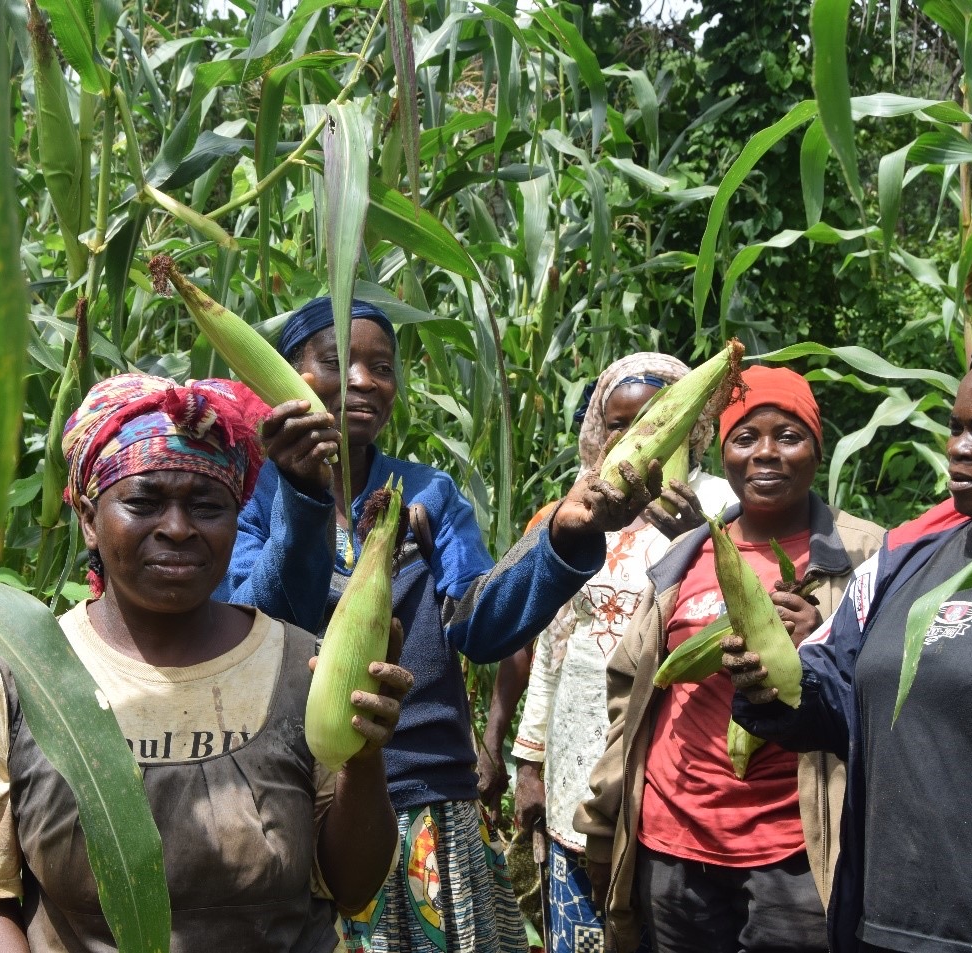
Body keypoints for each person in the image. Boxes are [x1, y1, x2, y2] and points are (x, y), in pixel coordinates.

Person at [220, 297, 658, 953]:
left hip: (427, 799)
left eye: (383, 365)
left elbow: (479, 624)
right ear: (288, 375)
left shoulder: (427, 493)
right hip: (295, 807)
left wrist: (565, 537)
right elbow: (260, 626)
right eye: (341, 362)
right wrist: (303, 497)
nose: (366, 381)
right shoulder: (248, 496)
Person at [0, 373, 411, 952]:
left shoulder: (301, 665)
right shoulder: (27, 676)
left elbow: (351, 887)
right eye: (143, 502)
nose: (177, 529)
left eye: (207, 506)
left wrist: (365, 760)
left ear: (236, 519)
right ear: (87, 518)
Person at [725, 317, 972, 953]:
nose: (960, 449)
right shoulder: (899, 567)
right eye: (958, 428)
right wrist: (771, 682)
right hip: (885, 927)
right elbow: (834, 702)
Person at [575, 365, 885, 953]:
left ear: (816, 449)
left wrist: (819, 642)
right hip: (672, 841)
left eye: (788, 436)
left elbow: (895, 690)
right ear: (724, 453)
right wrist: (604, 823)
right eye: (745, 438)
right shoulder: (688, 554)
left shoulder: (865, 553)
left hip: (795, 850)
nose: (766, 454)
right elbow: (632, 698)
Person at [512, 353, 735, 953]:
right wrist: (528, 763)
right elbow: (552, 647)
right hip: (574, 769)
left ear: (688, 427)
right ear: (598, 429)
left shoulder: (722, 509)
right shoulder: (576, 512)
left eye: (654, 420)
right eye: (617, 424)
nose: (634, 438)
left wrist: (696, 544)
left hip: (671, 778)